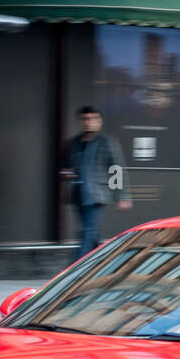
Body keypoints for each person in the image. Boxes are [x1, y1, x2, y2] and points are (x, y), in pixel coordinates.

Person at [60, 105, 131, 259]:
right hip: (77, 193)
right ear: (80, 121)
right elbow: (65, 166)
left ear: (100, 121)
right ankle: (104, 261)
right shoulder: (73, 143)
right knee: (91, 231)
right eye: (85, 119)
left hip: (96, 193)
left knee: (87, 229)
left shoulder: (107, 142)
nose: (89, 122)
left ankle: (76, 267)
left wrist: (121, 196)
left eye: (93, 119)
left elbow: (116, 168)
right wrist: (66, 173)